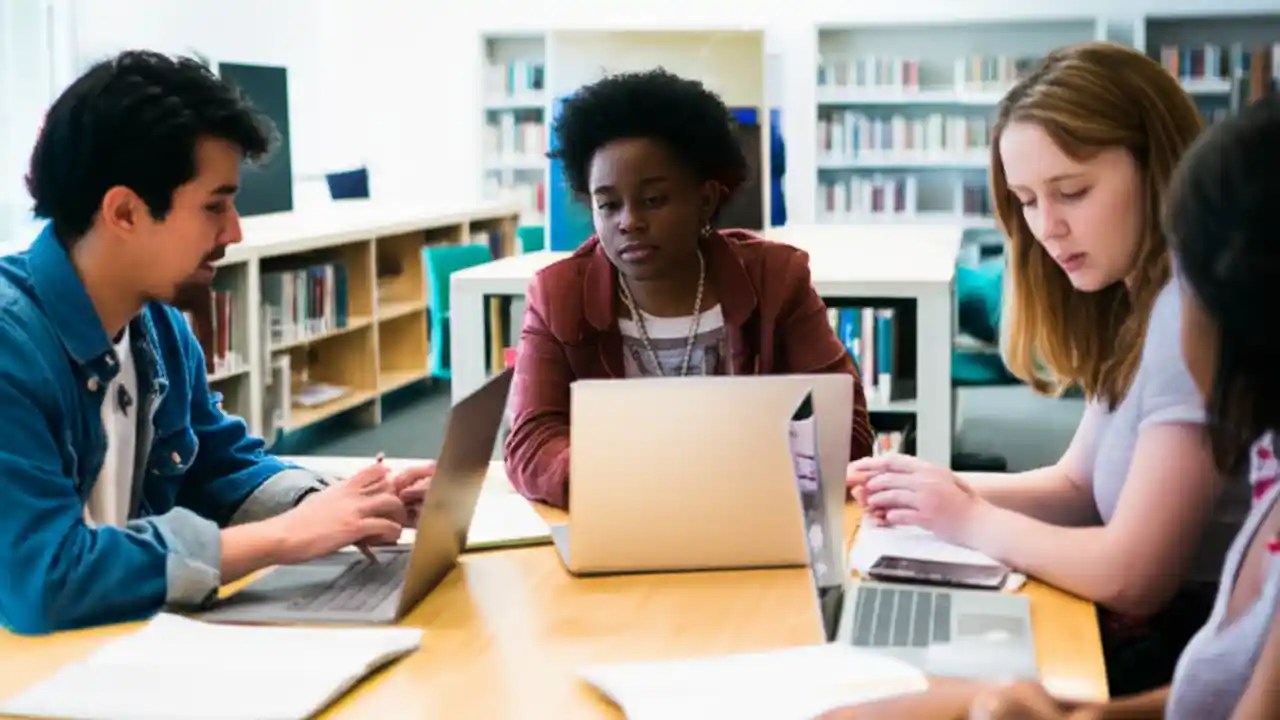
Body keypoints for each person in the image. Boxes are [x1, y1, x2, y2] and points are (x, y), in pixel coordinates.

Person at [822, 89, 1280, 720]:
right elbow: (1078, 483)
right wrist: (931, 489)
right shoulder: (1134, 306)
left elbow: (1137, 582)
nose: (1047, 227)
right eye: (1027, 202)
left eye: (1072, 192)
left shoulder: (1180, 309)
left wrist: (968, 516)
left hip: (1151, 635)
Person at [0, 50, 434, 634]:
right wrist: (283, 539)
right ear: (124, 211)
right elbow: (44, 579)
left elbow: (219, 466)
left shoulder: (159, 330)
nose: (233, 232)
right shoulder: (11, 349)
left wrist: (339, 506)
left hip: (111, 648)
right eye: (214, 206)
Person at [505, 68, 873, 508]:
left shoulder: (777, 277)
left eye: (654, 200)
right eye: (608, 204)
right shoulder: (557, 293)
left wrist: (730, 476)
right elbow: (531, 440)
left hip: (748, 514)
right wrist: (627, 479)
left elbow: (844, 426)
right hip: (623, 514)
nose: (629, 221)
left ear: (706, 200)